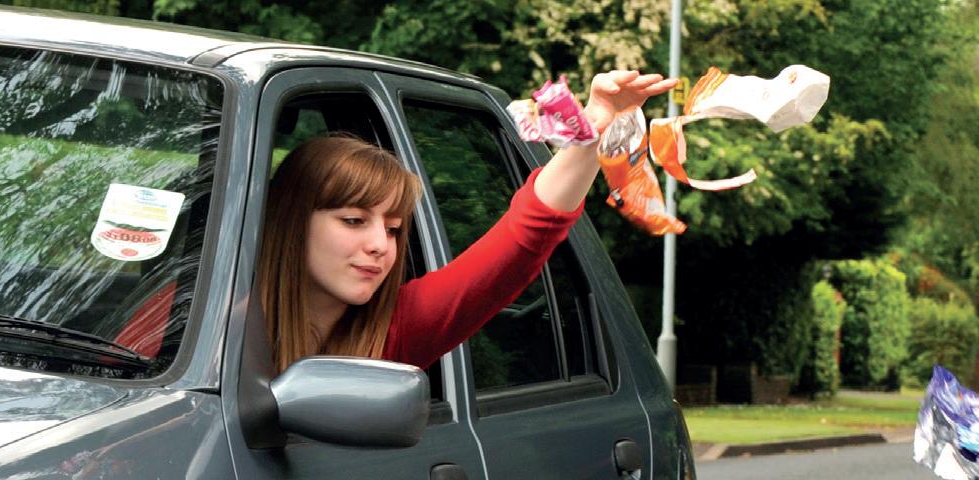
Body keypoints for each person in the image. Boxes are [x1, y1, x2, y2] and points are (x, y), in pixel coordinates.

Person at [256, 70, 676, 374]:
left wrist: (592, 129)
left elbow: (524, 236)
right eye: (353, 220)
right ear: (292, 221)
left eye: (394, 229)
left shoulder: (395, 331)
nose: (380, 245)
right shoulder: (207, 324)